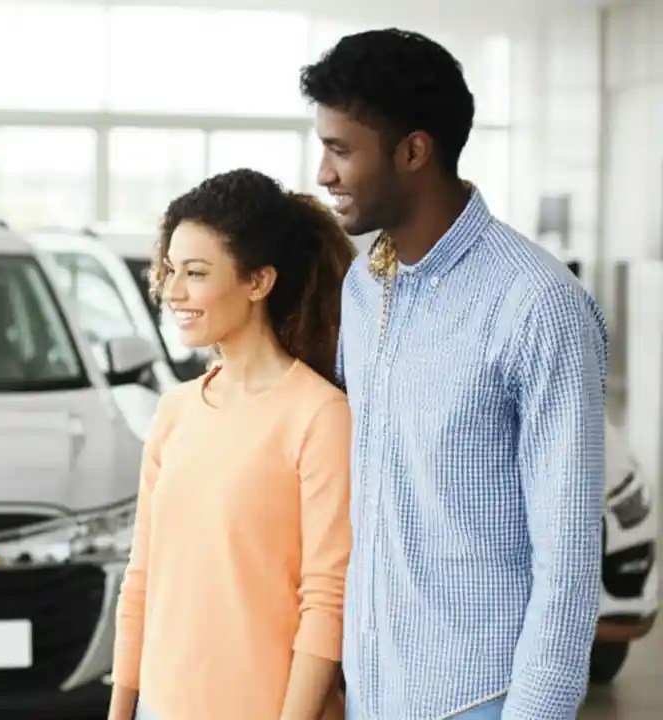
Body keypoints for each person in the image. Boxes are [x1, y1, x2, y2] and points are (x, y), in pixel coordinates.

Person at [301, 29, 608, 719]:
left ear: (414, 151)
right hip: (376, 691)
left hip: (481, 698)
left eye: (340, 149)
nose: (323, 174)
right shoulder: (363, 288)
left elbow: (569, 555)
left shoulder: (537, 305)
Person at [107, 169, 356, 720]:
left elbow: (325, 601)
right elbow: (143, 578)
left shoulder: (320, 416)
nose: (173, 292)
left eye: (195, 273)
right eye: (171, 270)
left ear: (258, 282)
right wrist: (122, 710)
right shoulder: (174, 411)